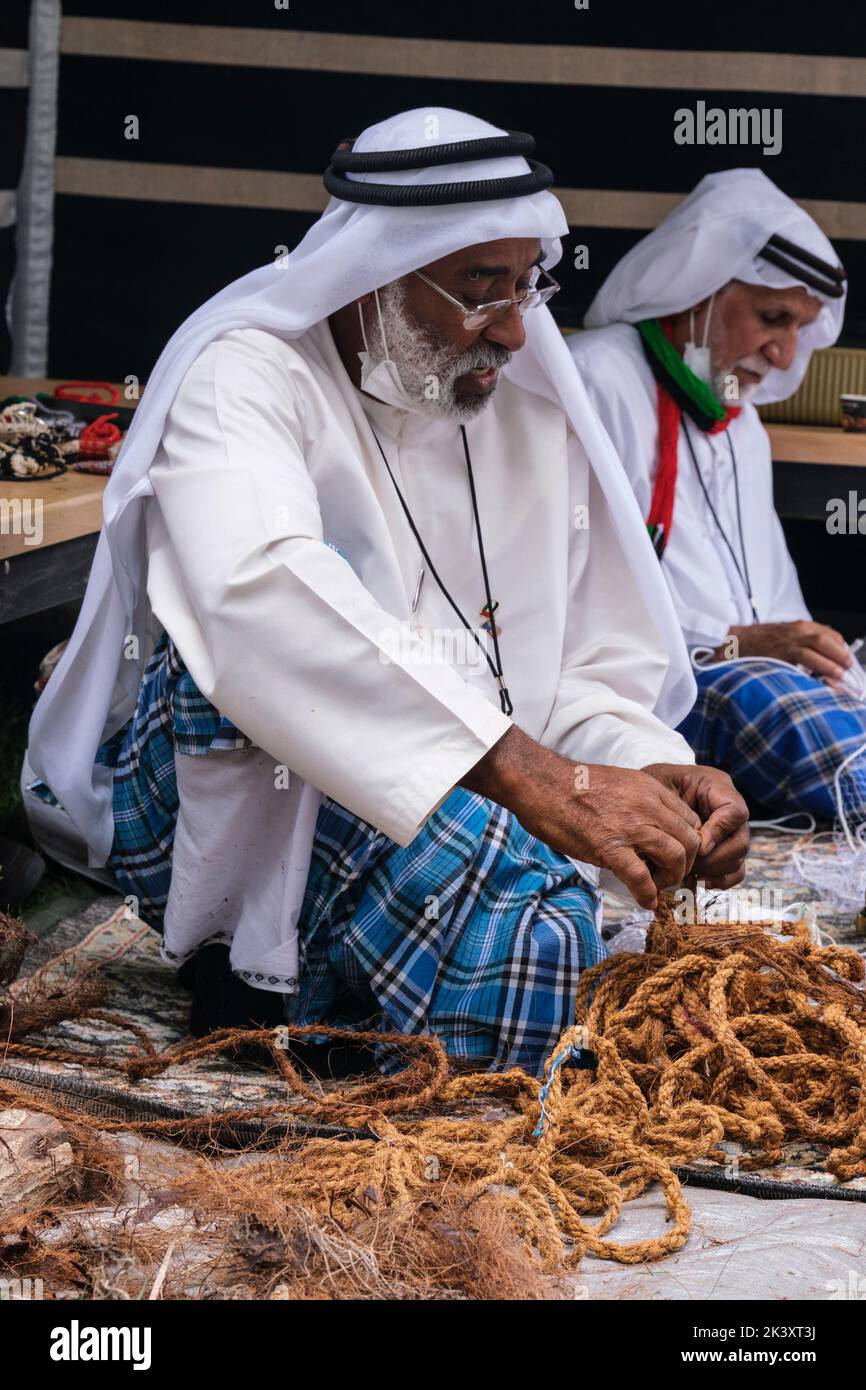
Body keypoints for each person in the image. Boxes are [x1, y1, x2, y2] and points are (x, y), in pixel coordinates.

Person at [20, 110, 747, 1076]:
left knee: (552, 953)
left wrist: (648, 772)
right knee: (528, 953)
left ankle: (348, 983)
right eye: (480, 289)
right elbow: (260, 603)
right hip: (241, 777)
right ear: (370, 275)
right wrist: (535, 777)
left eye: (528, 283)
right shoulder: (246, 375)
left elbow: (557, 671)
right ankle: (247, 965)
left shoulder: (520, 409)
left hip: (461, 779)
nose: (515, 329)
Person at [569, 169, 866, 825]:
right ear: (700, 286)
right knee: (771, 698)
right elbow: (577, 615)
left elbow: (777, 605)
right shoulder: (598, 381)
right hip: (652, 696)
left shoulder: (743, 423)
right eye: (772, 318)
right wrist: (736, 644)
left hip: (755, 680)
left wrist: (819, 658)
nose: (785, 355)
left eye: (800, 328)